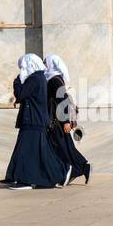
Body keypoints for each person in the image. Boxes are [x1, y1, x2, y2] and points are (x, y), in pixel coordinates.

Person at [1, 54, 70, 190]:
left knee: (27, 151)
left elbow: (21, 95)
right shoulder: (37, 78)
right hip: (32, 120)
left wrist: (17, 82)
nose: (22, 69)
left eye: (23, 66)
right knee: (33, 151)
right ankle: (18, 176)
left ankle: (26, 180)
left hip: (33, 120)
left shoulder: (35, 78)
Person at [45, 53, 90, 185]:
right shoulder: (55, 78)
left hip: (57, 121)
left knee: (62, 146)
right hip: (57, 120)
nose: (43, 65)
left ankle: (81, 167)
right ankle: (78, 169)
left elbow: (62, 101)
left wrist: (65, 122)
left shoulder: (54, 80)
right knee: (65, 146)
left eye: (45, 63)